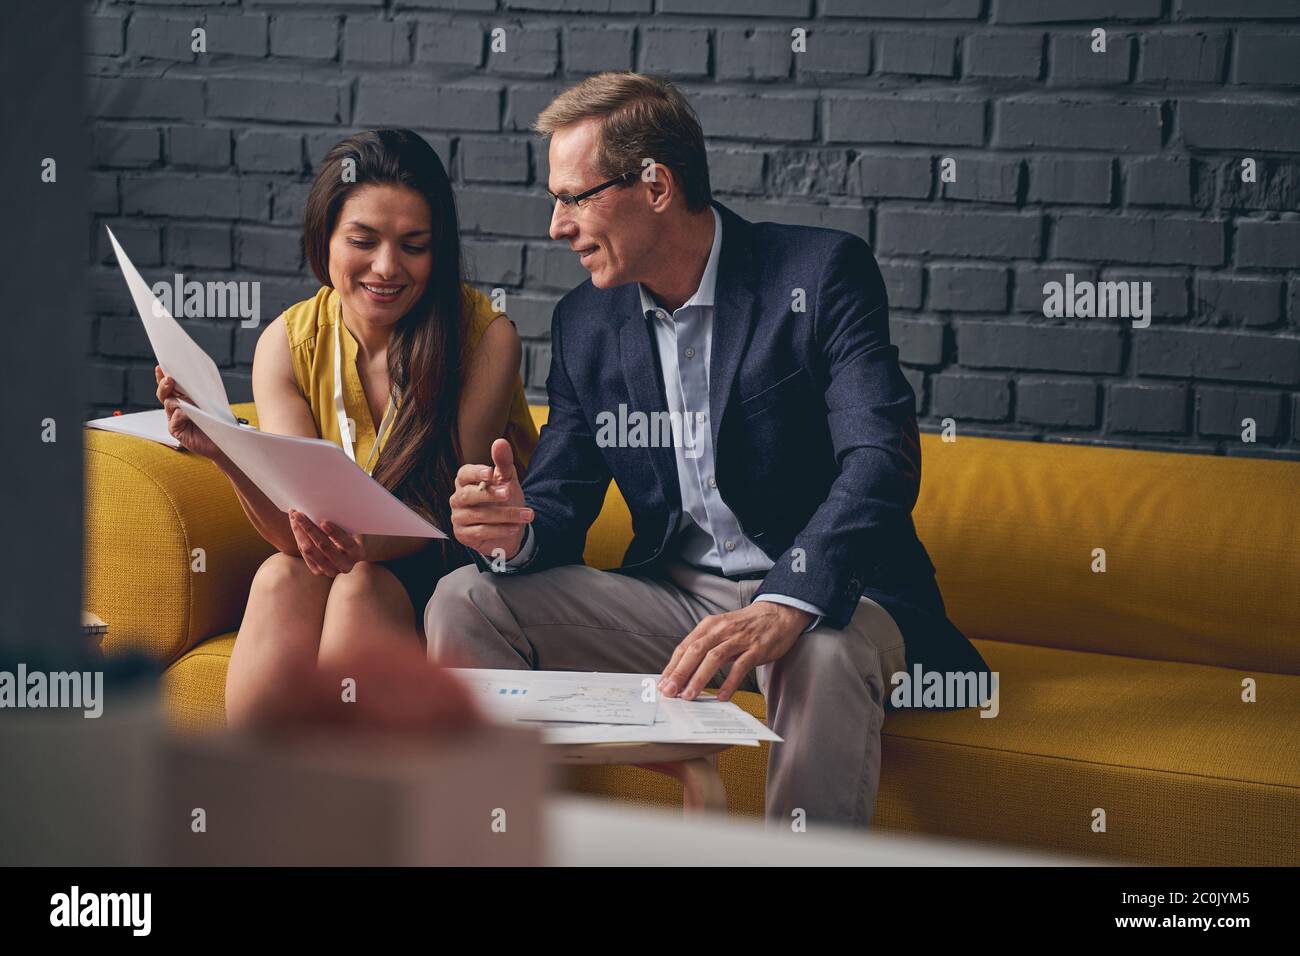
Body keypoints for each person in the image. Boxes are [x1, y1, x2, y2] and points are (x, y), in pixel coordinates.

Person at [424, 73, 991, 829]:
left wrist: (788, 600)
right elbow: (561, 495)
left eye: (574, 197)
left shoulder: (818, 276)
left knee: (812, 651)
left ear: (654, 185)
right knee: (464, 600)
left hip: (845, 599)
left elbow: (880, 459)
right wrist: (514, 526)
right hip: (681, 603)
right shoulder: (585, 324)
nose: (557, 226)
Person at [156, 129, 538, 729]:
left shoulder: (485, 339)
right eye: (362, 240)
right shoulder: (287, 343)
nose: (387, 268)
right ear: (324, 239)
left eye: (414, 245)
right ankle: (260, 795)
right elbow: (295, 533)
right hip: (346, 559)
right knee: (281, 574)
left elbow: (448, 520)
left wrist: (358, 549)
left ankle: (349, 802)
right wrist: (224, 451)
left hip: (452, 565)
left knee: (360, 587)